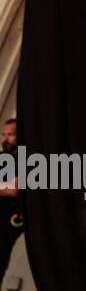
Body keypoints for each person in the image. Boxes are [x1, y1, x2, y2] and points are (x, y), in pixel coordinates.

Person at [0, 118, 22, 279]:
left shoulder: (25, 159)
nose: (5, 139)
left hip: (8, 222)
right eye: (3, 134)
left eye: (11, 134)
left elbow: (14, 189)